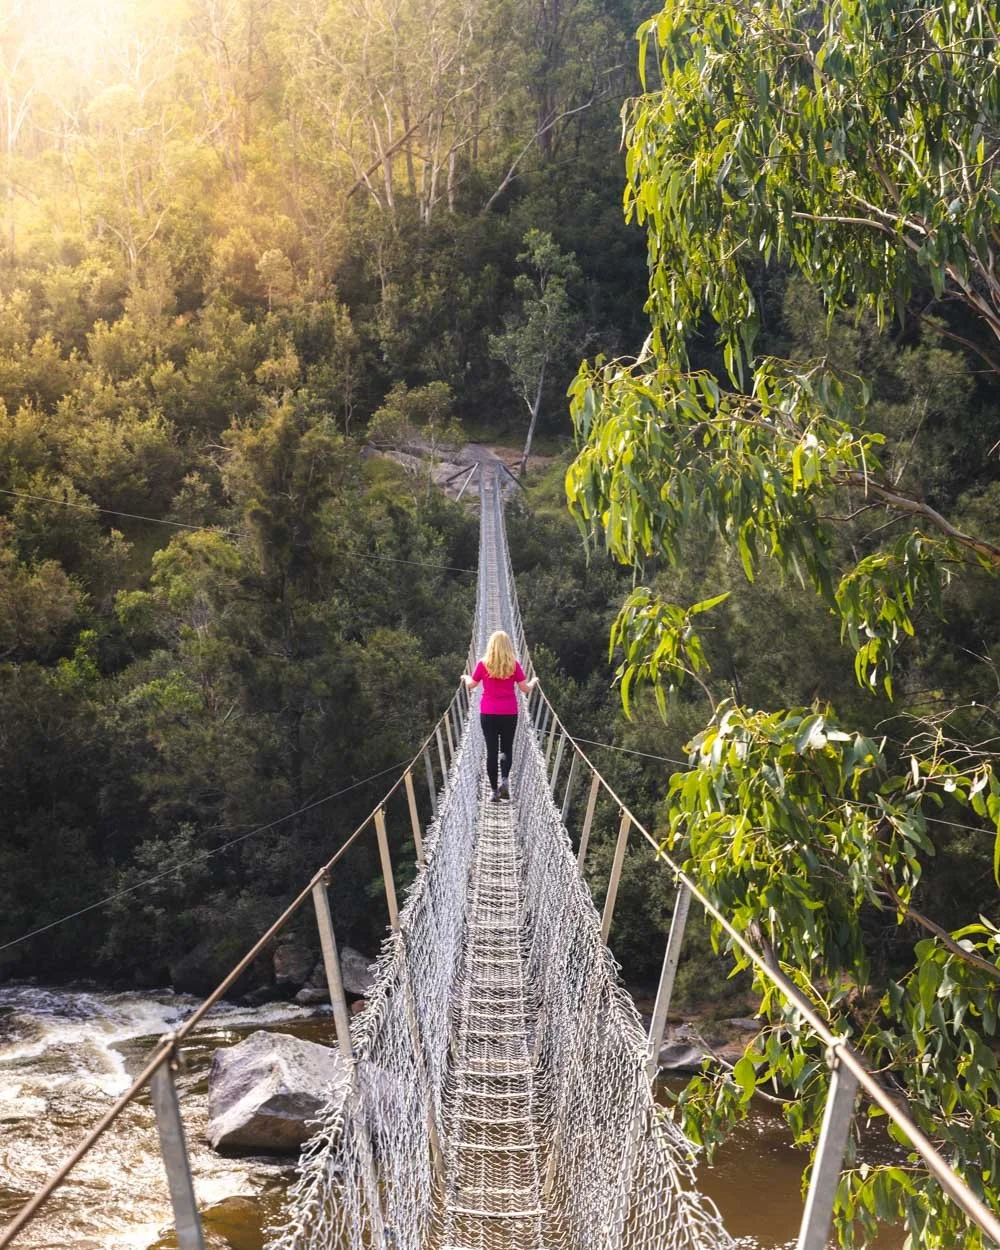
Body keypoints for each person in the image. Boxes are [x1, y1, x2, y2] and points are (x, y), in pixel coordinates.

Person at [464, 630, 537, 802]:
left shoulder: (483, 664)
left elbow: (472, 685)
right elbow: (525, 689)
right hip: (509, 713)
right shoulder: (514, 665)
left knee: (491, 751)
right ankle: (504, 779)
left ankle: (494, 791)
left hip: (488, 714)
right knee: (506, 749)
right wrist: (533, 681)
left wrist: (466, 677)